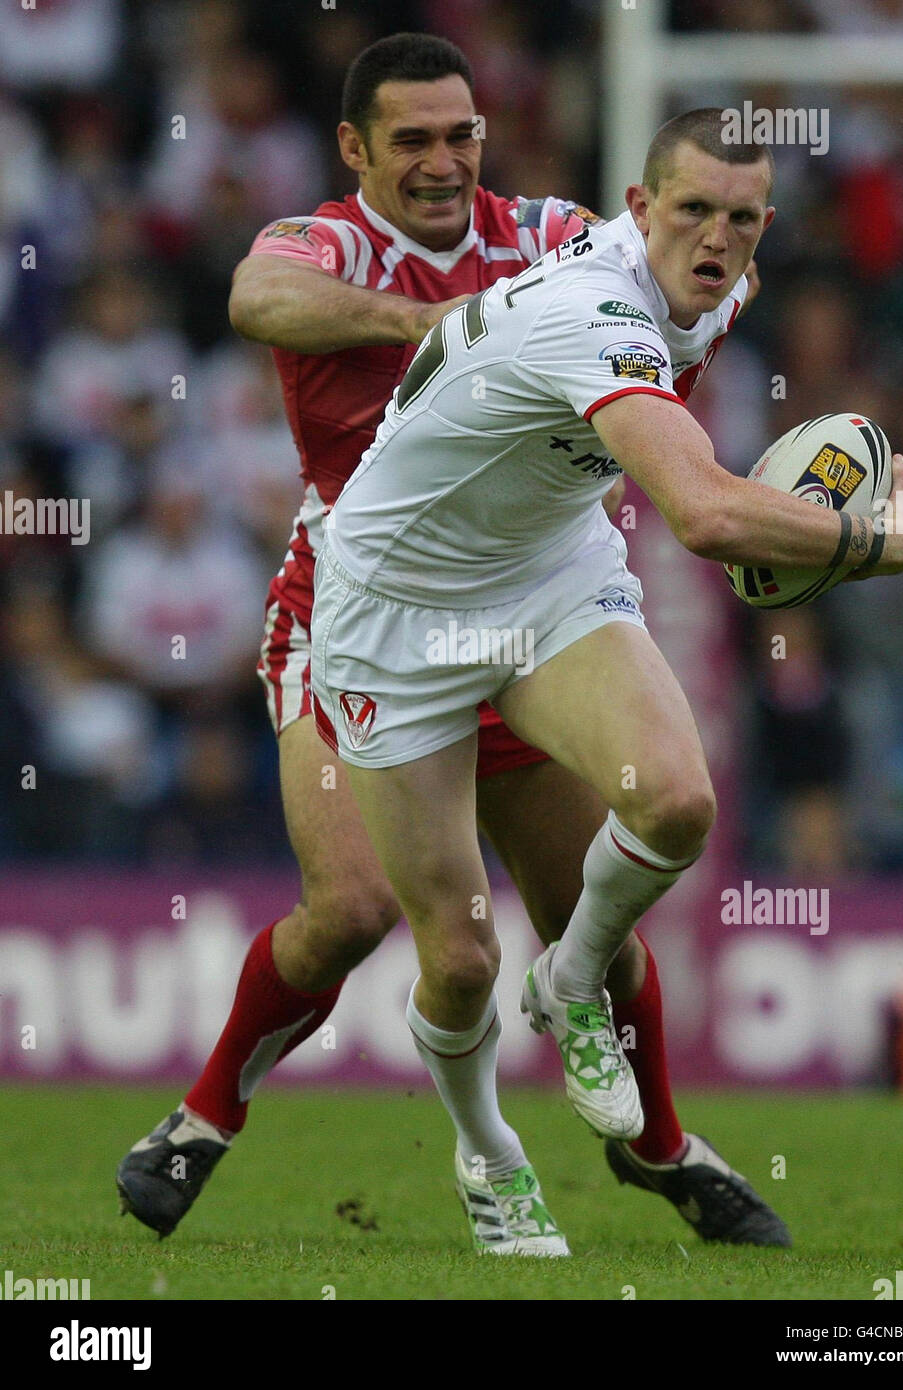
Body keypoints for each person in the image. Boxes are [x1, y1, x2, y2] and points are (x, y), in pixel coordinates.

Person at [117, 36, 788, 1255]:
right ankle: (205, 1116)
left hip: (528, 598)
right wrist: (447, 320)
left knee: (597, 894)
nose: (442, 160)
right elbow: (252, 297)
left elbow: (652, 259)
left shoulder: (545, 232)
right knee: (365, 910)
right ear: (353, 149)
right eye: (412, 138)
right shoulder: (322, 244)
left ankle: (657, 1145)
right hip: (355, 604)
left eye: (461, 133)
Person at [307, 103, 903, 1253]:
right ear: (637, 209)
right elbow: (698, 512)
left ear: (763, 226)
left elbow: (674, 461)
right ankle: (490, 1152)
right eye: (689, 210)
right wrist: (865, 545)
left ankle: (576, 977)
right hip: (394, 607)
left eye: (740, 219)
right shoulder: (595, 307)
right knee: (456, 954)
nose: (714, 238)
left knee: (678, 799)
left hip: (545, 568)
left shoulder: (722, 292)